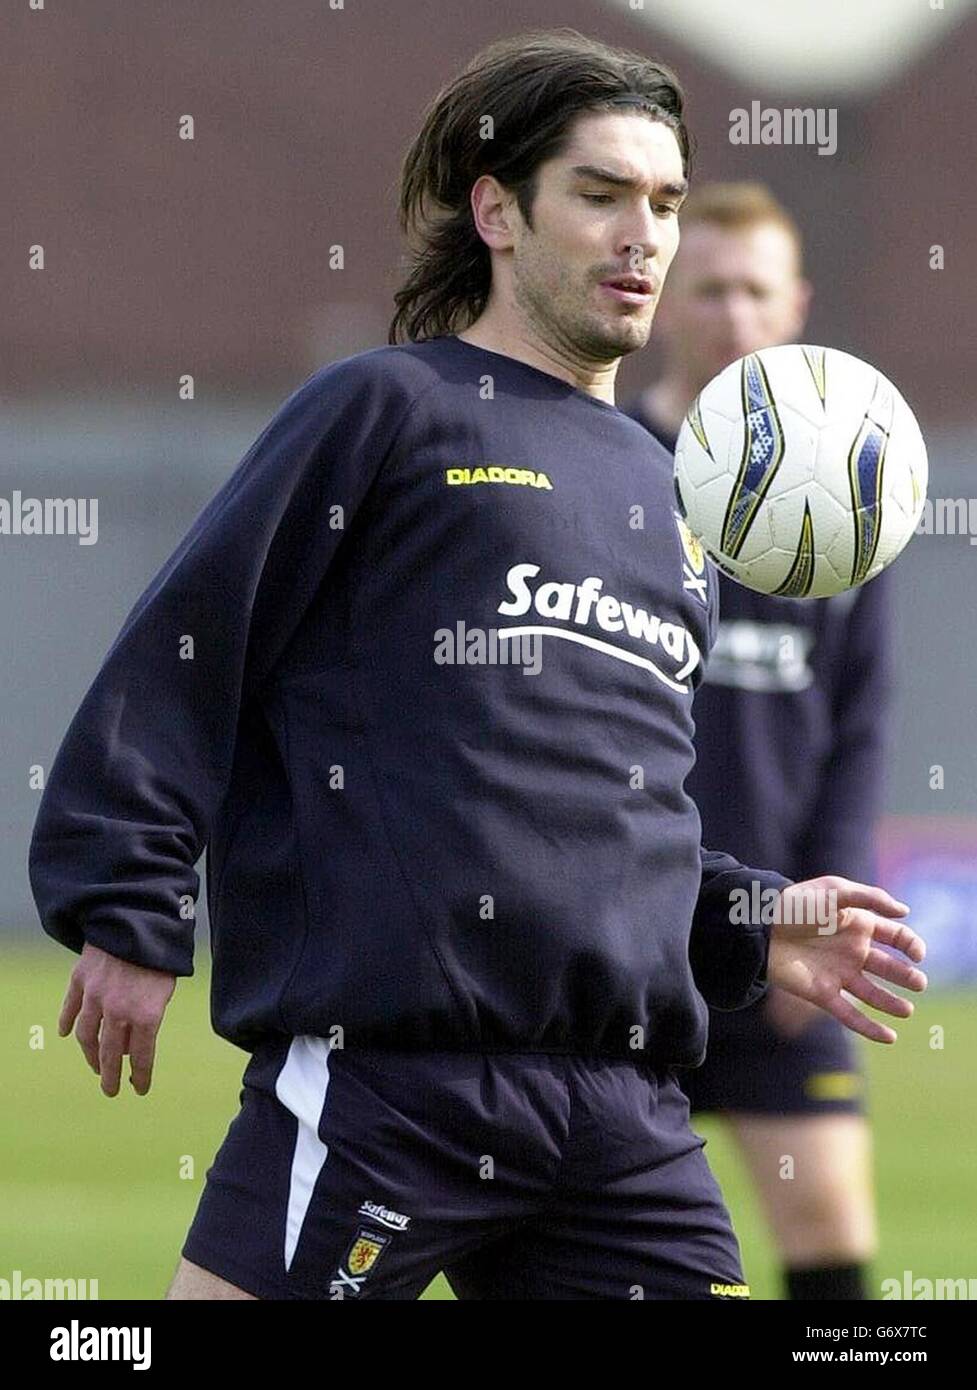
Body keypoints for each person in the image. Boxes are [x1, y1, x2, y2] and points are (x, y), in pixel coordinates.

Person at [28, 30, 924, 1302]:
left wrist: (749, 916)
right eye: (600, 194)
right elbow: (187, 647)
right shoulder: (384, 411)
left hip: (624, 1119)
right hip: (394, 1085)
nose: (643, 236)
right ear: (497, 209)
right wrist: (128, 902)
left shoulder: (670, 494)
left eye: (663, 202)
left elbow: (613, 823)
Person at [625, 181, 893, 1300]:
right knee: (607, 1246)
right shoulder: (608, 464)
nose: (732, 312)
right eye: (709, 287)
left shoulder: (843, 493)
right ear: (665, 300)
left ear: (793, 306)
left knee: (828, 1228)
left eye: (754, 290)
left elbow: (857, 723)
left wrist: (817, 901)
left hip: (785, 924)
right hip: (631, 928)